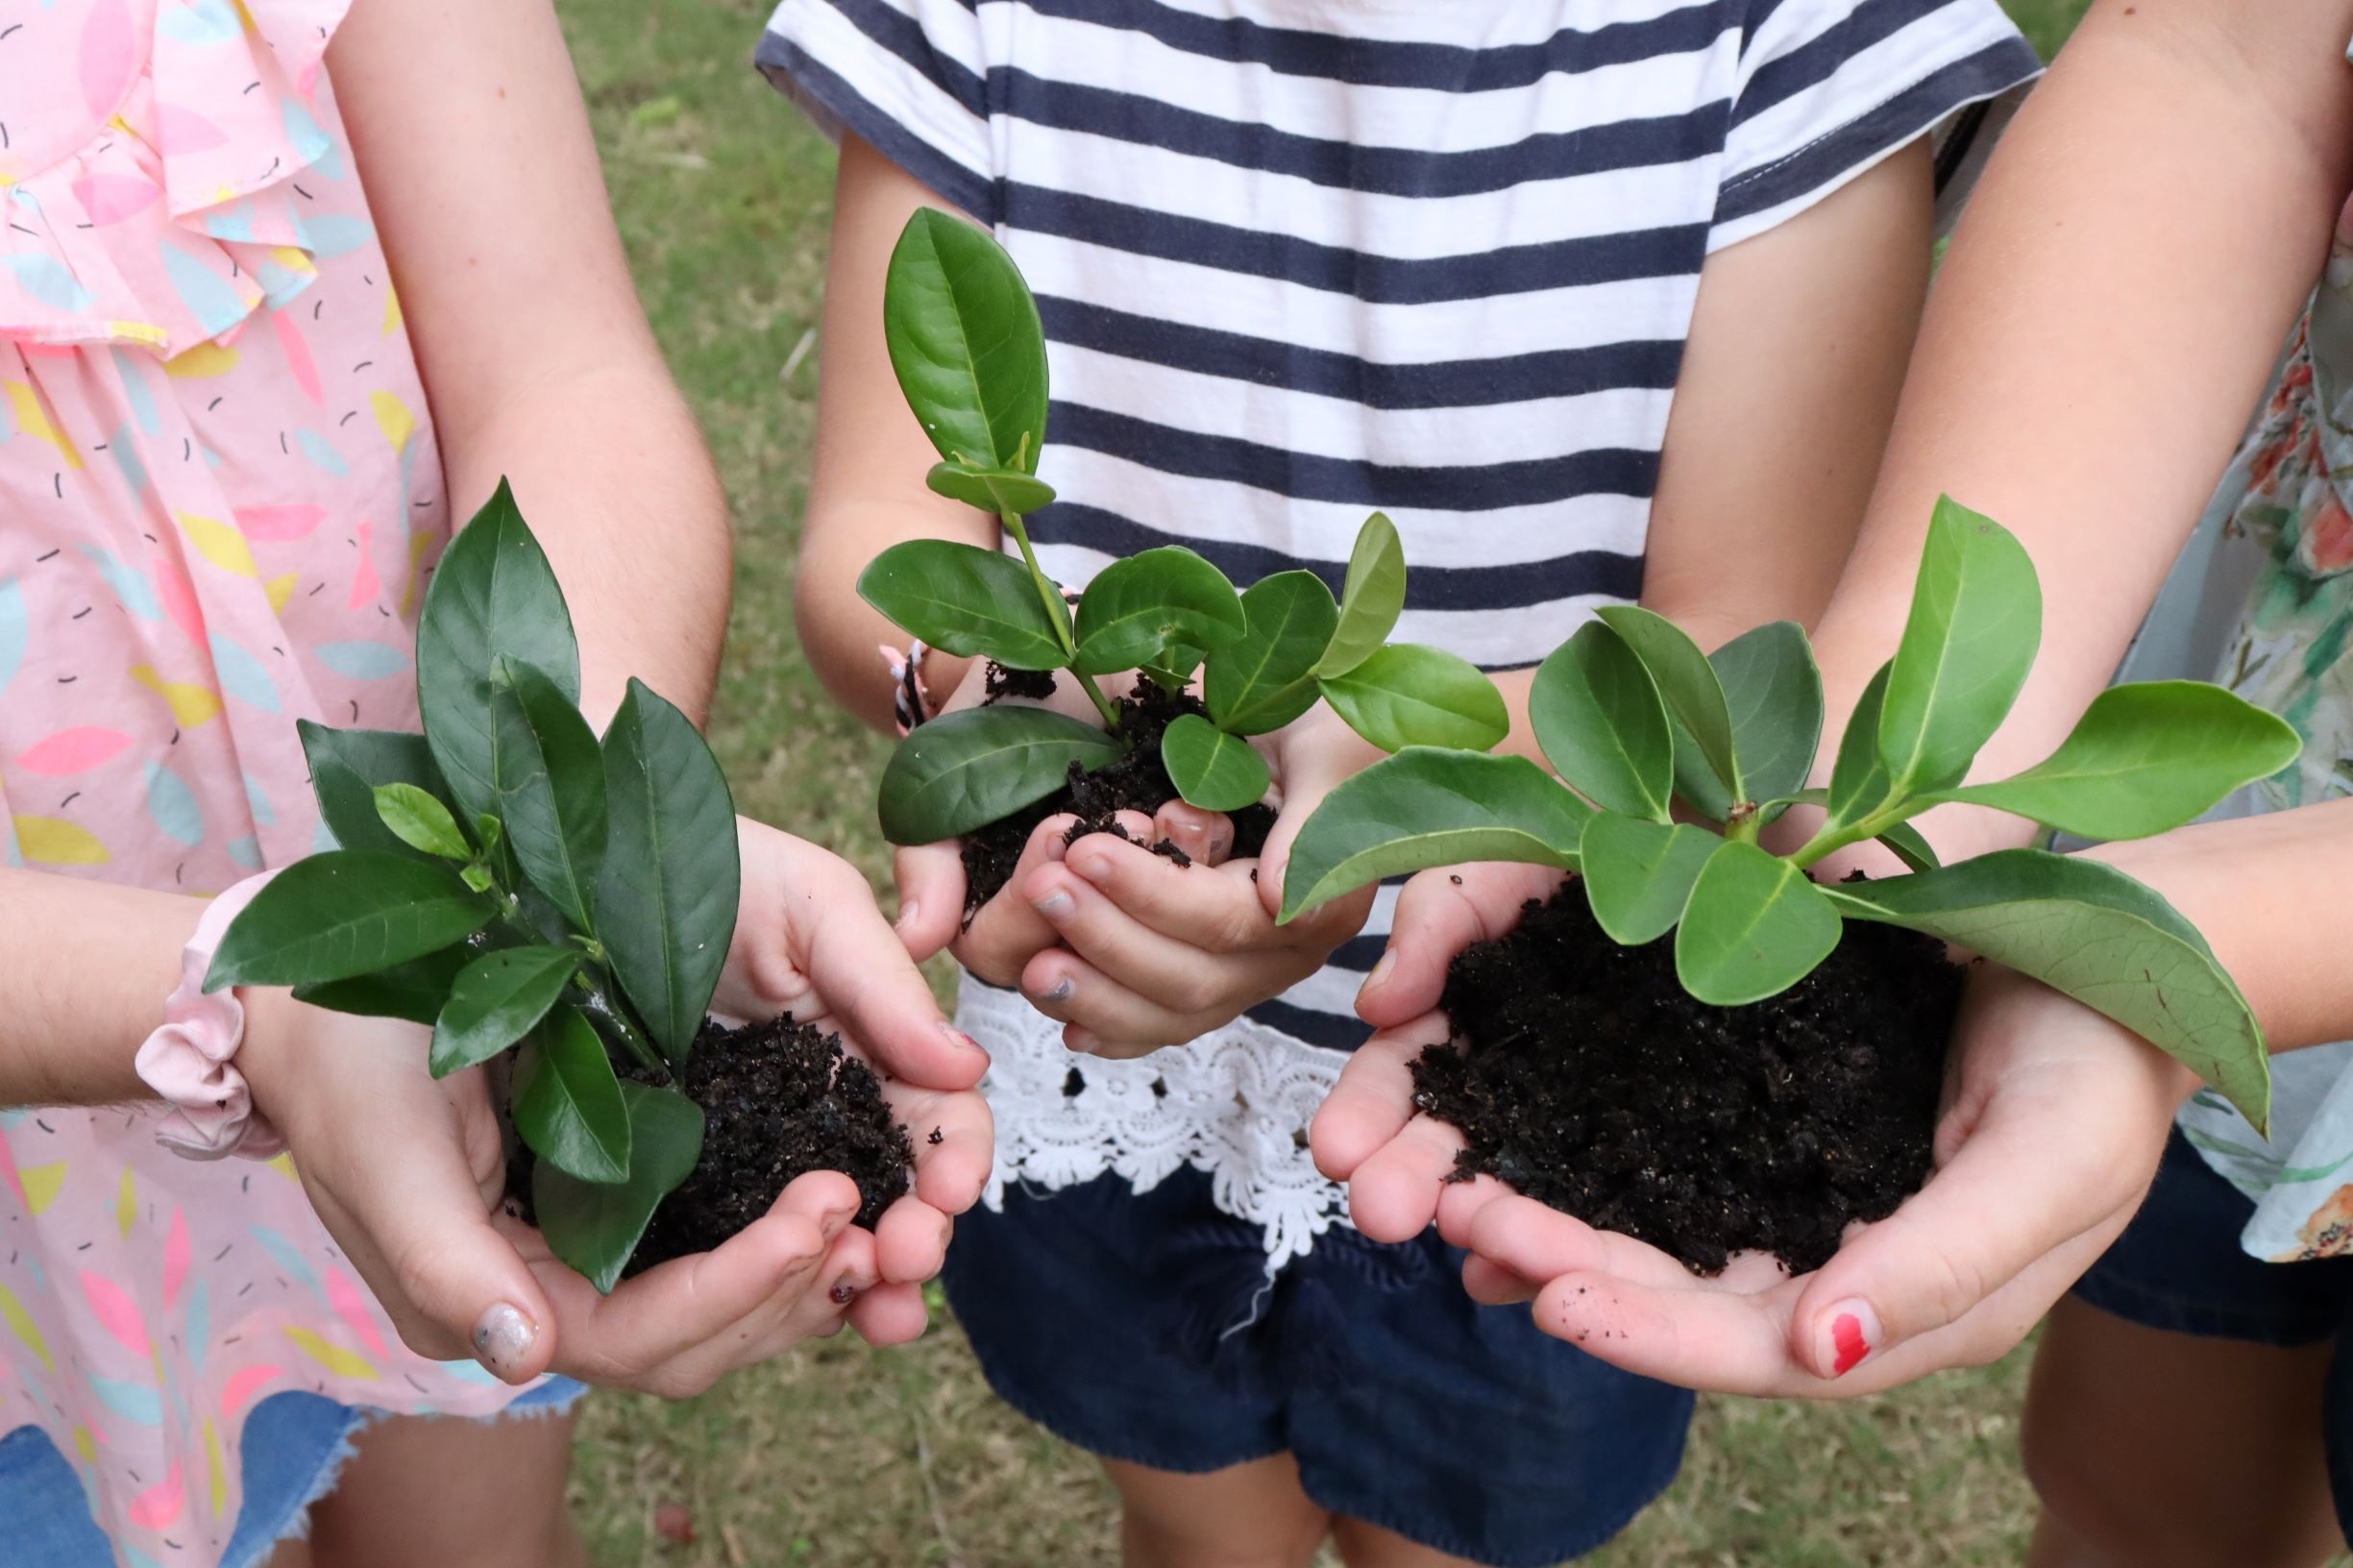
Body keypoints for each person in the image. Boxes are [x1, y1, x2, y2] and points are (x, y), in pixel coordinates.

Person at [772, 0, 2041, 1561]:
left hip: (1523, 1058)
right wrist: (999, 719)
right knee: (1190, 1519)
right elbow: (874, 556)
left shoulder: (1794, 36)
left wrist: (1388, 766)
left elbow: (1744, 671)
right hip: (1088, 1027)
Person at [1321, 3, 2353, 1564]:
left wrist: (2176, 947)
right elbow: (2228, 63)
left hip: (2226, 911)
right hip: (2256, 747)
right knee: (2134, 1498)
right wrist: (1899, 795)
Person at [0, 4, 990, 1566]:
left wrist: (588, 841)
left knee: (472, 1506)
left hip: (443, 1054)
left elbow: (557, 363)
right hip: (50, 1213)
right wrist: (255, 1009)